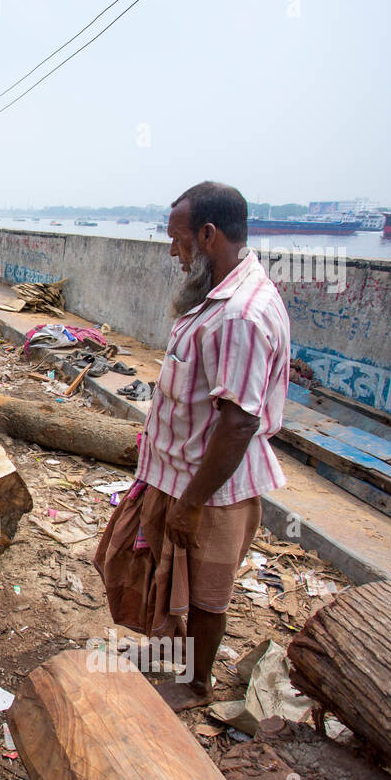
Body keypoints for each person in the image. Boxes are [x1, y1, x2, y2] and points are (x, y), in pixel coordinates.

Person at [93, 181, 290, 711]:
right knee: (161, 570)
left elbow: (238, 423)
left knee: (205, 593)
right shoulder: (214, 299)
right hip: (175, 474)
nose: (172, 251)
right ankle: (168, 654)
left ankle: (196, 683)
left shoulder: (240, 315)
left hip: (213, 488)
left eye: (178, 239)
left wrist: (193, 502)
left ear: (207, 235)